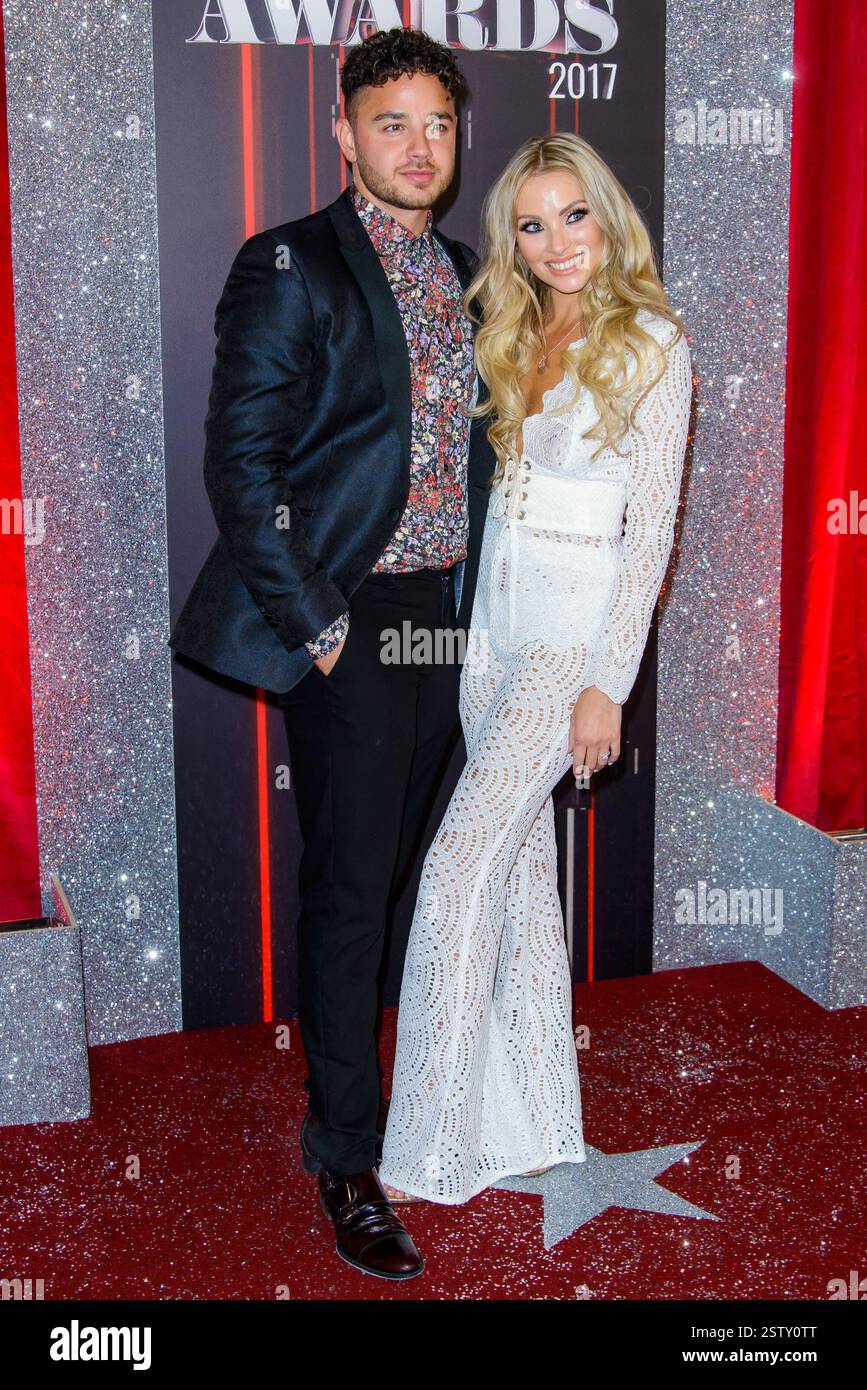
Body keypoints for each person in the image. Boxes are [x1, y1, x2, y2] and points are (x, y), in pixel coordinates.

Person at [168, 29, 496, 1279]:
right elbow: (239, 467)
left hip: (452, 622)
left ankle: (414, 1102)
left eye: (440, 126)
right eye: (394, 123)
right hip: (354, 623)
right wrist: (320, 620)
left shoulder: (469, 269)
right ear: (346, 133)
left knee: (415, 879)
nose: (422, 147)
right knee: (354, 895)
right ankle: (344, 1159)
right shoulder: (289, 264)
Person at [377, 132, 694, 1206]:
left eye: (576, 215)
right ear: (510, 238)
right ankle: (537, 1119)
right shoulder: (512, 330)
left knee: (457, 868)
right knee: (515, 883)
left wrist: (609, 677)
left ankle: (432, 1140)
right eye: (532, 222)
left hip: (568, 645)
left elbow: (648, 530)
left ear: (608, 218)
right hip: (492, 637)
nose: (558, 241)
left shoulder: (652, 339)